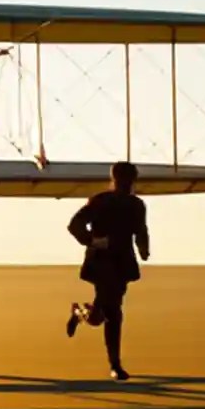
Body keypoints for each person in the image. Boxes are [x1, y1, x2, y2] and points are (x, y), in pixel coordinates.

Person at [64, 161, 150, 381]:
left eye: (129, 180)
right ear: (115, 179)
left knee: (102, 314)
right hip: (101, 261)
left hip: (122, 262)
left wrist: (143, 248)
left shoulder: (136, 205)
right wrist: (93, 241)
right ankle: (115, 364)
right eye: (123, 180)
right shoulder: (100, 201)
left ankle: (81, 313)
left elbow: (141, 230)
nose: (127, 184)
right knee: (113, 311)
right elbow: (75, 224)